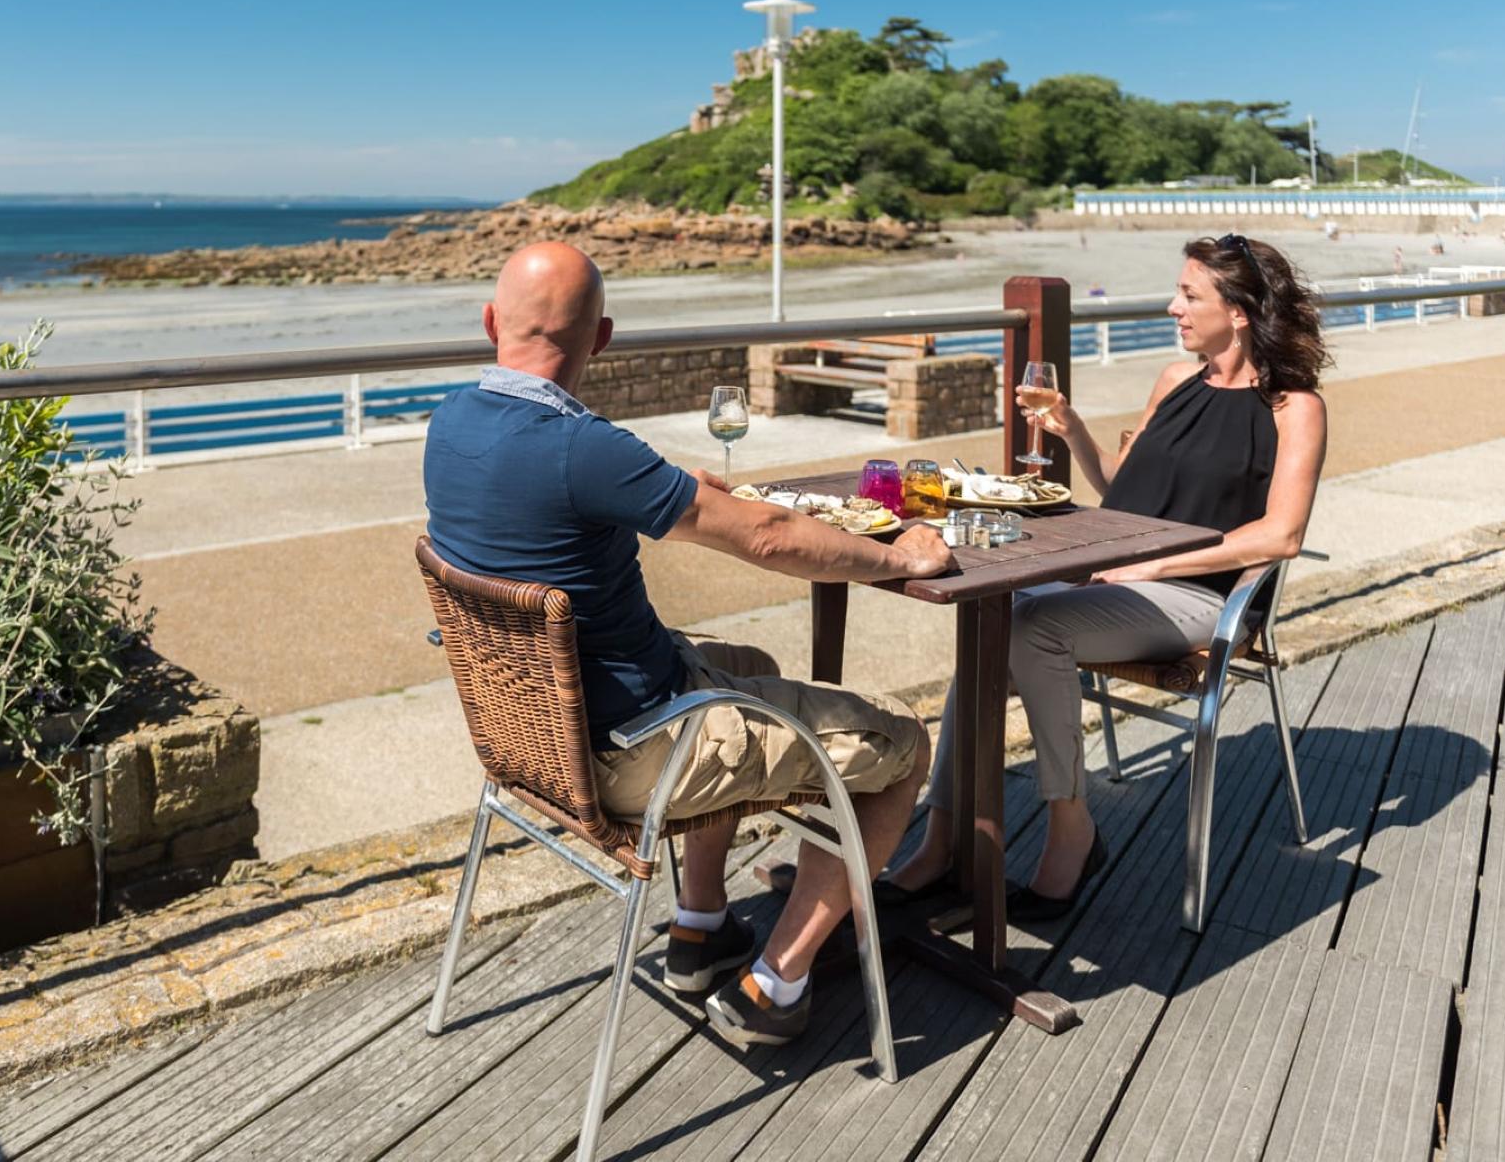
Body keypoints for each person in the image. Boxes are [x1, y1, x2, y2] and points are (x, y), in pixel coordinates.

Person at [423, 242, 951, 1046]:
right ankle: (776, 984)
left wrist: (679, 487)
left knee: (753, 668)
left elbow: (567, 491)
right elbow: (771, 538)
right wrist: (900, 555)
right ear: (601, 338)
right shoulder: (584, 450)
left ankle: (701, 924)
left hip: (531, 740)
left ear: (490, 322)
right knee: (904, 742)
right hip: (637, 751)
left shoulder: (452, 422)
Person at [883, 234, 1329, 919]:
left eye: (1189, 295)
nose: (1173, 306)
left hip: (1201, 596)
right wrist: (1073, 431)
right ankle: (940, 844)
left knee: (1034, 627)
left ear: (1238, 311)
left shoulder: (1294, 407)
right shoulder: (1176, 382)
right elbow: (1126, 490)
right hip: (1119, 584)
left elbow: (1282, 533)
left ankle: (1072, 832)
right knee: (987, 621)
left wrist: (1152, 563)